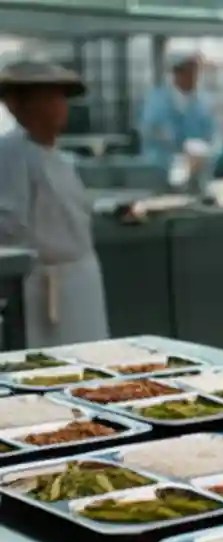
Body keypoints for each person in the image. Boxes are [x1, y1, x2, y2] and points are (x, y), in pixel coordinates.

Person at [0, 60, 109, 346]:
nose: (60, 107)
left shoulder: (60, 157)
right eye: (47, 98)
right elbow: (10, 225)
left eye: (61, 98)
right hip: (44, 286)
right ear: (17, 105)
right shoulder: (11, 154)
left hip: (79, 279)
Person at [139, 51, 219, 186]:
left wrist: (206, 154)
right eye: (188, 72)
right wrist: (180, 155)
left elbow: (215, 136)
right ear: (176, 74)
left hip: (197, 176)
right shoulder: (156, 101)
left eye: (195, 72)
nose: (193, 78)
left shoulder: (203, 103)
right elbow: (151, 132)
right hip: (160, 173)